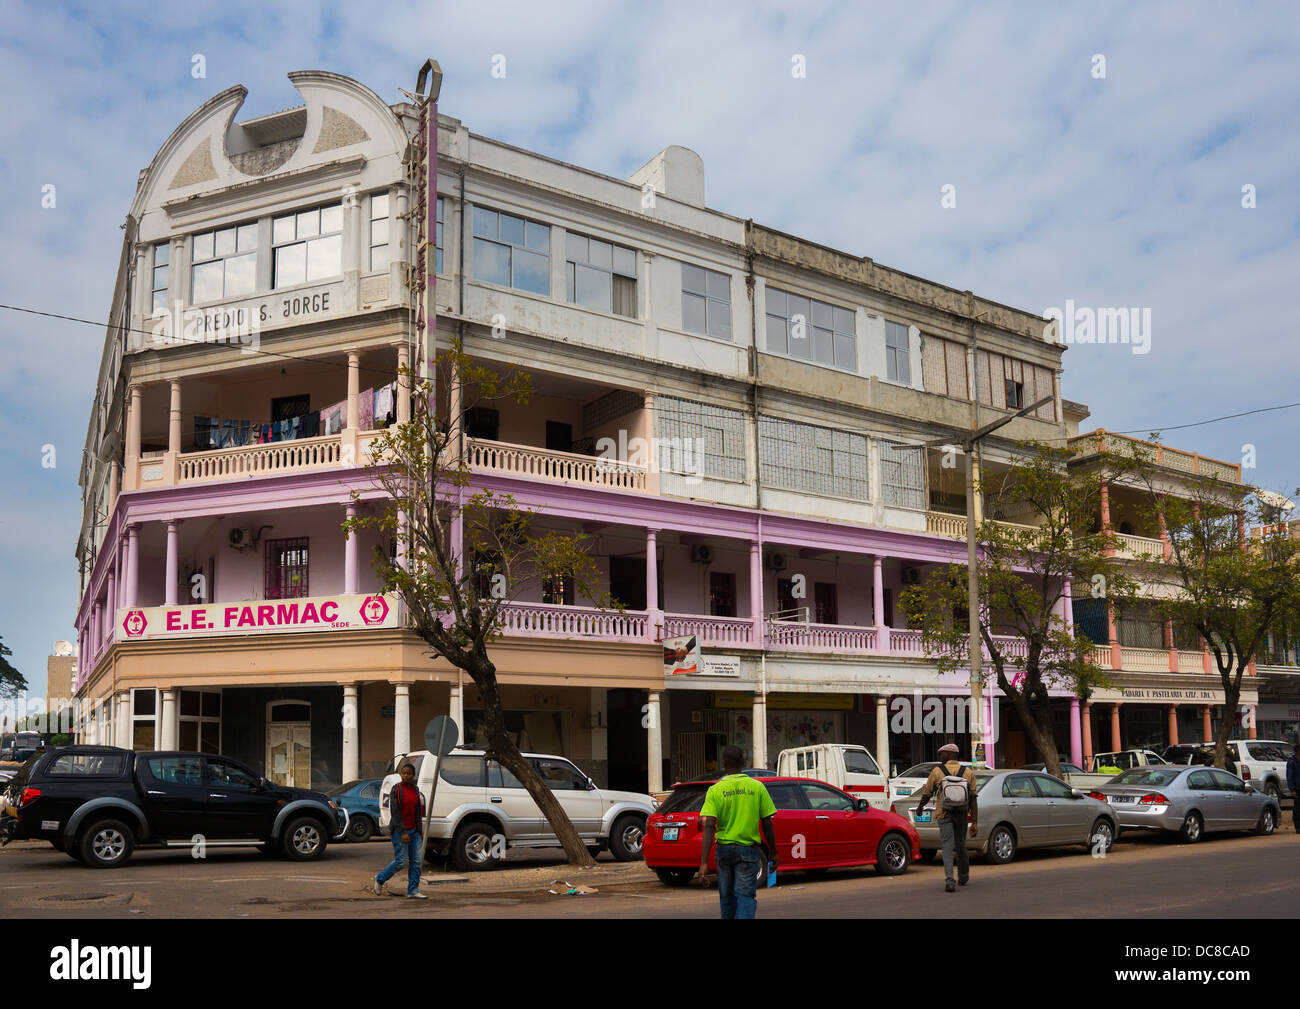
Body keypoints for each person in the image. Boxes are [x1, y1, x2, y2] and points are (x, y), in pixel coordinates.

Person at [696, 745, 778, 919]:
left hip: (724, 851)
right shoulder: (757, 788)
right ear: (744, 762)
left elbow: (709, 825)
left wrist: (703, 863)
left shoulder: (715, 790)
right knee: (745, 895)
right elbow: (767, 823)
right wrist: (773, 852)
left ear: (724, 763)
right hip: (748, 851)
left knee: (726, 898)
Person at [912, 742, 979, 893]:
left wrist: (920, 807)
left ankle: (950, 880)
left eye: (941, 753)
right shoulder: (968, 773)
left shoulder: (937, 771)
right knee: (961, 845)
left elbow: (927, 793)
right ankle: (963, 876)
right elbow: (973, 799)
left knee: (947, 846)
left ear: (949, 754)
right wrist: (975, 821)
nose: (939, 756)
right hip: (962, 813)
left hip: (944, 814)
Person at [373, 762, 428, 899]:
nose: (406, 776)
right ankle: (380, 878)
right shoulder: (396, 789)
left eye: (409, 774)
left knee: (416, 862)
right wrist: (403, 832)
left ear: (413, 775)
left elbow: (417, 812)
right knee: (401, 861)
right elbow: (395, 813)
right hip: (400, 831)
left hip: (414, 831)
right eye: (403, 773)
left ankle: (413, 890)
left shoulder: (415, 790)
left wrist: (419, 831)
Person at [1287, 745, 1300, 834]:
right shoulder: (1292, 762)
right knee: (1298, 809)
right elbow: (1290, 776)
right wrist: (1292, 790)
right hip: (1297, 789)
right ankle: (1298, 827)